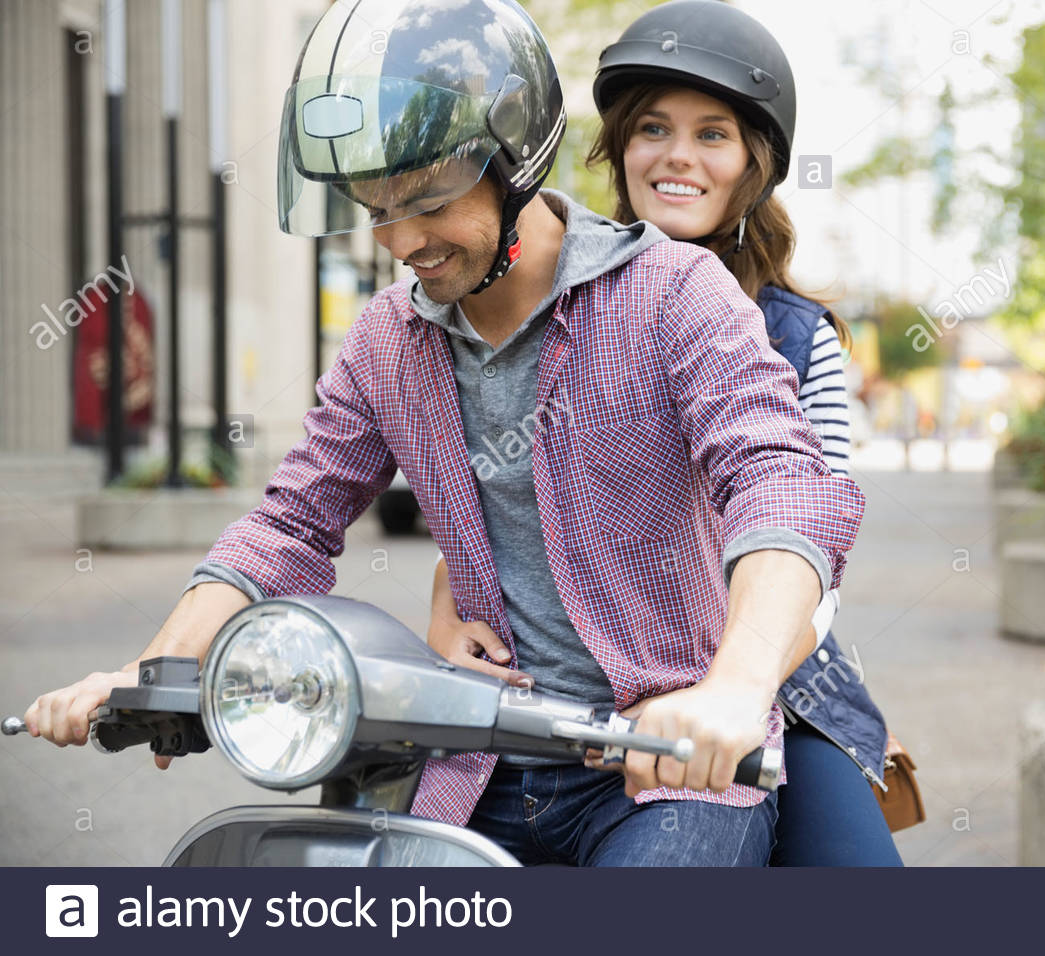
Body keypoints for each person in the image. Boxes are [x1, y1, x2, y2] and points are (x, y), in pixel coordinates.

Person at [22, 0, 864, 868]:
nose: (398, 240)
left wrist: (733, 688)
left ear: (517, 161)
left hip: (666, 764)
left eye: (427, 200)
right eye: (374, 209)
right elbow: (289, 523)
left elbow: (778, 481)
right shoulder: (387, 336)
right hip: (475, 762)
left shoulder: (676, 290)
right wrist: (149, 669)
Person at [590, 0, 901, 867]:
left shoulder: (801, 336)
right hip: (592, 673)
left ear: (752, 166)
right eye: (653, 127)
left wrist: (733, 687)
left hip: (777, 673)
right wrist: (449, 603)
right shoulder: (559, 303)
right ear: (621, 148)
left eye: (713, 135)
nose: (678, 155)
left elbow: (819, 563)